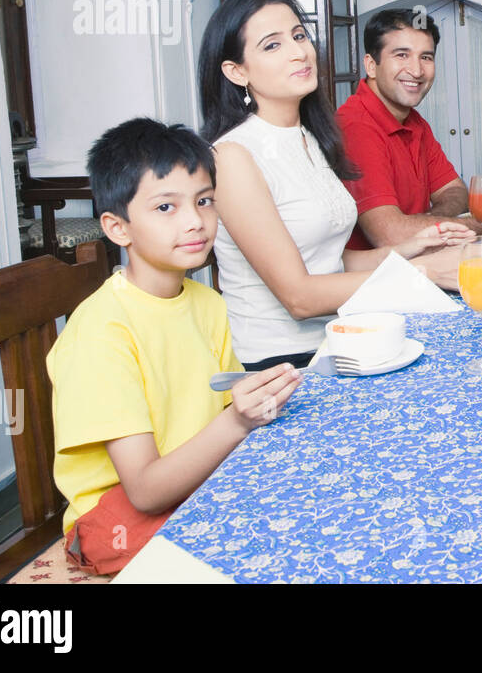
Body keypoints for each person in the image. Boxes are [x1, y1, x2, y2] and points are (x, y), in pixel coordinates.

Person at [46, 118, 301, 575]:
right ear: (117, 227)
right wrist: (238, 420)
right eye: (166, 207)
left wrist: (259, 401)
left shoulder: (205, 302)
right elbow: (143, 490)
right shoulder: (101, 332)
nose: (194, 221)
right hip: (116, 517)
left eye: (204, 201)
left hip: (196, 483)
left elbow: (227, 402)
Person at [198, 0, 471, 369]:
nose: (298, 51)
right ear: (236, 70)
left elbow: (330, 260)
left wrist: (413, 247)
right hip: (283, 363)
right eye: (272, 45)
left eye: (298, 36)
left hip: (342, 335)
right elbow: (300, 297)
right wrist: (419, 272)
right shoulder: (233, 156)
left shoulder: (311, 137)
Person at [335, 8, 482, 250]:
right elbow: (390, 236)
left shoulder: (413, 121)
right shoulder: (356, 126)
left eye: (426, 57)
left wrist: (426, 223)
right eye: (401, 55)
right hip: (375, 280)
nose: (416, 71)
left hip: (419, 265)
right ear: (371, 65)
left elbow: (456, 191)